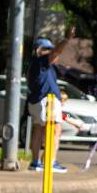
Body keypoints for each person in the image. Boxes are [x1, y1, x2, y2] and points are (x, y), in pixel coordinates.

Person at [26, 33, 74, 174]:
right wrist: (67, 39)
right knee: (55, 130)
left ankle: (35, 162)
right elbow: (57, 51)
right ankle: (51, 161)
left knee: (38, 130)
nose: (53, 53)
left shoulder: (37, 65)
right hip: (47, 101)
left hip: (37, 101)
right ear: (39, 51)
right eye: (48, 49)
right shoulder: (41, 61)